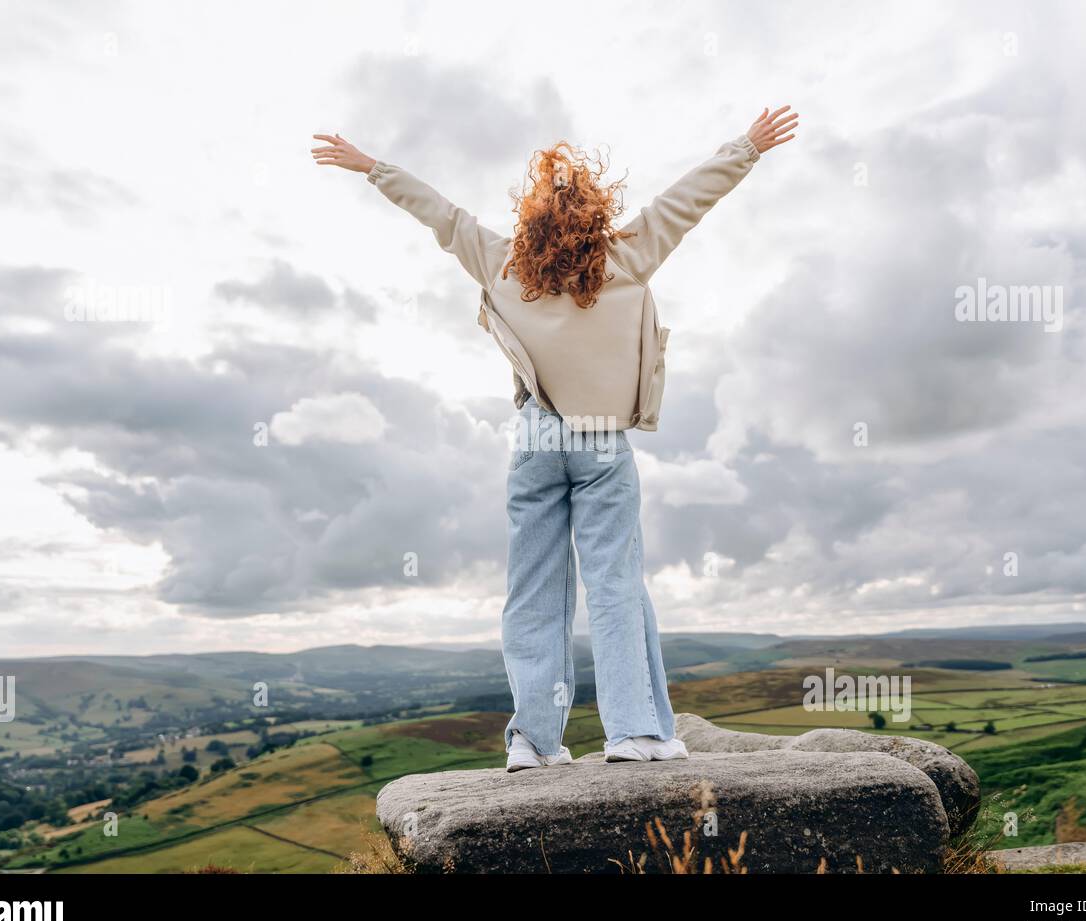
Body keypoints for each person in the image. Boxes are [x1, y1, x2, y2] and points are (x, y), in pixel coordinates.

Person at [311, 106, 798, 771]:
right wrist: (748, 147)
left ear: (530, 217)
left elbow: (440, 213)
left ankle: (532, 743)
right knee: (615, 585)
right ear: (597, 212)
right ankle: (634, 733)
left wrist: (371, 166)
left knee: (533, 590)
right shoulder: (629, 255)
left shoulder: (502, 264)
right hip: (600, 439)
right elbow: (689, 198)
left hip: (536, 438)